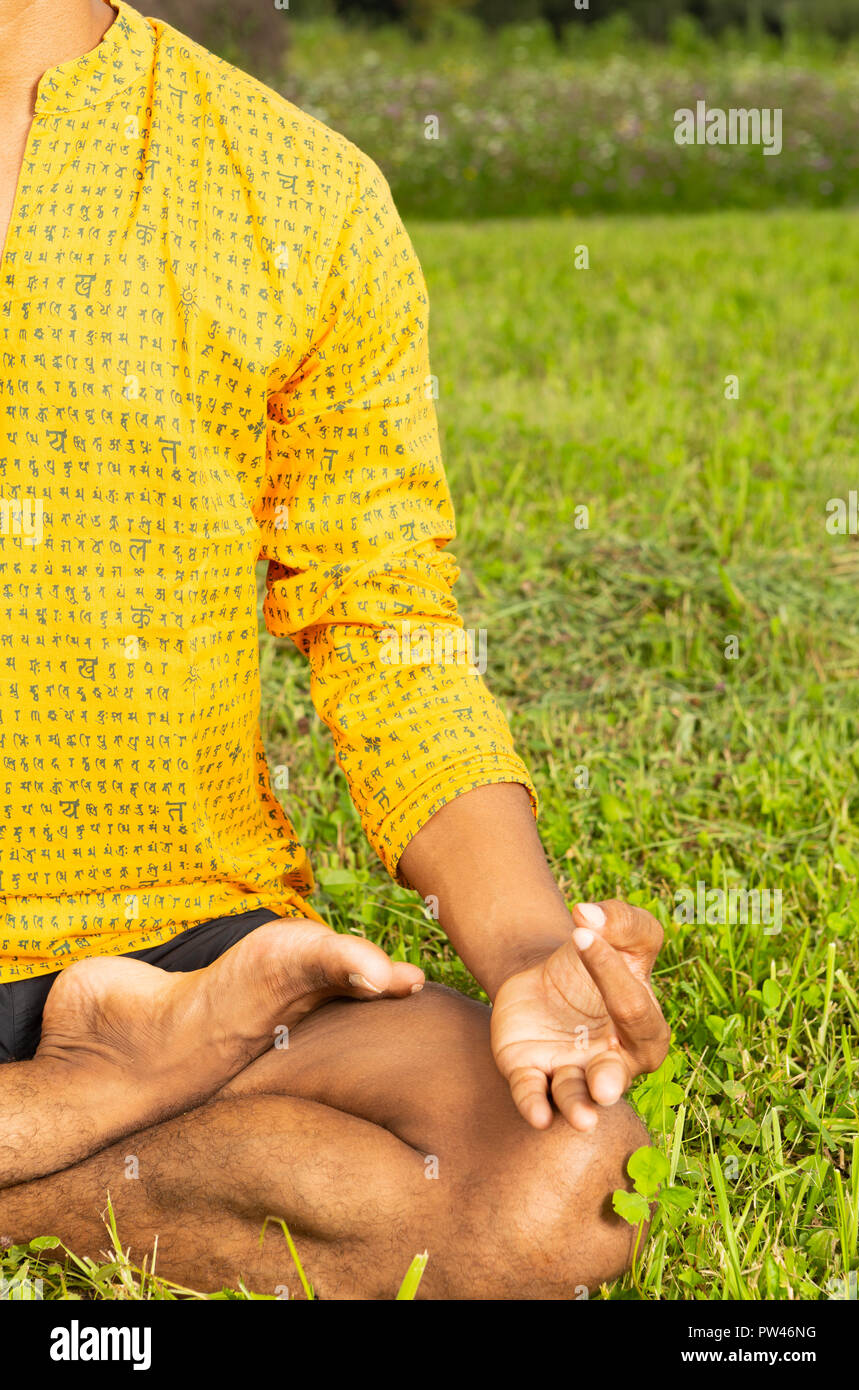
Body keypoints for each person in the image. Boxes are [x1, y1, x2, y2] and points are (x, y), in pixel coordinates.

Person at [0, 0, 670, 1299]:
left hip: (187, 962)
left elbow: (385, 624)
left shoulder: (297, 188)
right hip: (166, 1047)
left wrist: (535, 954)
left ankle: (84, 1104)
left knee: (563, 1179)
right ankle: (87, 1104)